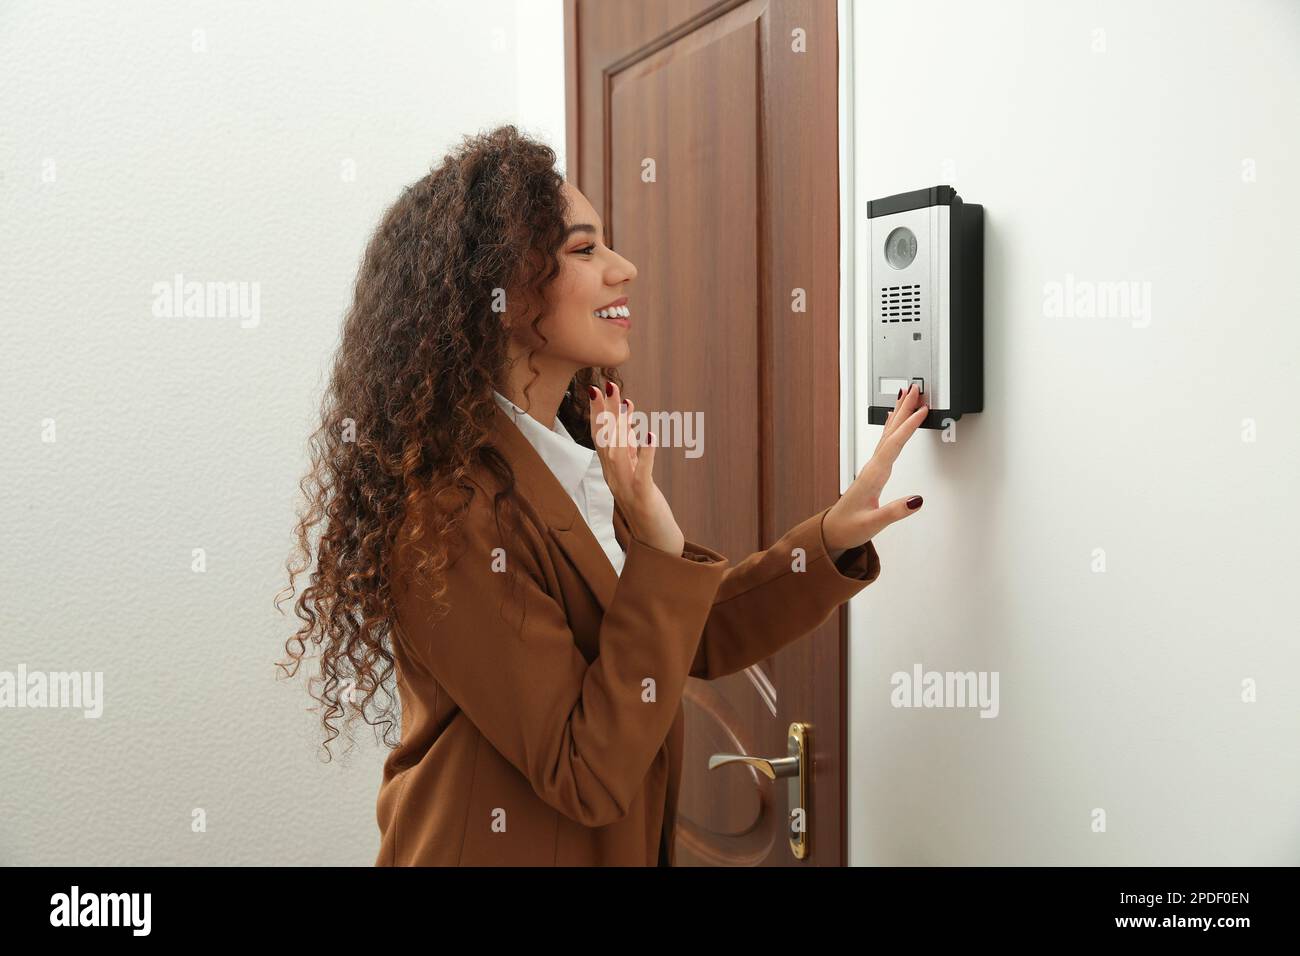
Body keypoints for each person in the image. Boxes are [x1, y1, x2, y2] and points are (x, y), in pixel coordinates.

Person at [276, 124, 928, 866]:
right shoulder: (451, 512)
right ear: (502, 291)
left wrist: (828, 541)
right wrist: (655, 544)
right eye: (585, 250)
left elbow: (682, 637)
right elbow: (586, 770)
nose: (626, 269)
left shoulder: (571, 454)